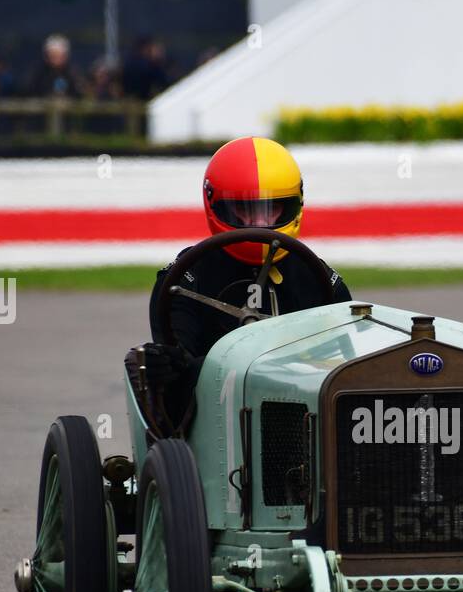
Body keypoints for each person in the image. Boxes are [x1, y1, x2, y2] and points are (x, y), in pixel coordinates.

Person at [139, 137, 353, 423]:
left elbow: (343, 362)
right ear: (217, 204)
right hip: (215, 418)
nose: (261, 224)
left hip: (304, 420)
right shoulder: (185, 278)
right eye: (246, 210)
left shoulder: (317, 277)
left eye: (271, 209)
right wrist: (165, 365)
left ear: (293, 204)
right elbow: (180, 364)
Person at [24, 33, 84, 97]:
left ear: (66, 56)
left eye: (59, 55)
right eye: (52, 55)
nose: (55, 59)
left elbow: (81, 93)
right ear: (46, 56)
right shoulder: (37, 74)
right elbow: (28, 92)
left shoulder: (74, 74)